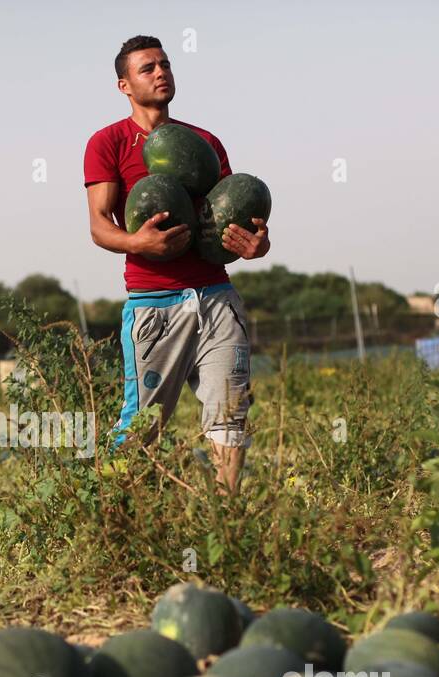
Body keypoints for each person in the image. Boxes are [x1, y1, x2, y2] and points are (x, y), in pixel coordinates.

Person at [84, 35, 270, 494]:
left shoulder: (204, 142)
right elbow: (98, 227)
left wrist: (255, 246)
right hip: (155, 305)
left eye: (165, 64)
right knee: (142, 425)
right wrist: (139, 242)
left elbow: (229, 219)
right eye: (147, 68)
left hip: (217, 298)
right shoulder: (107, 143)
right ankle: (111, 517)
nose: (161, 72)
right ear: (123, 85)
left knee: (230, 416)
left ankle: (227, 519)